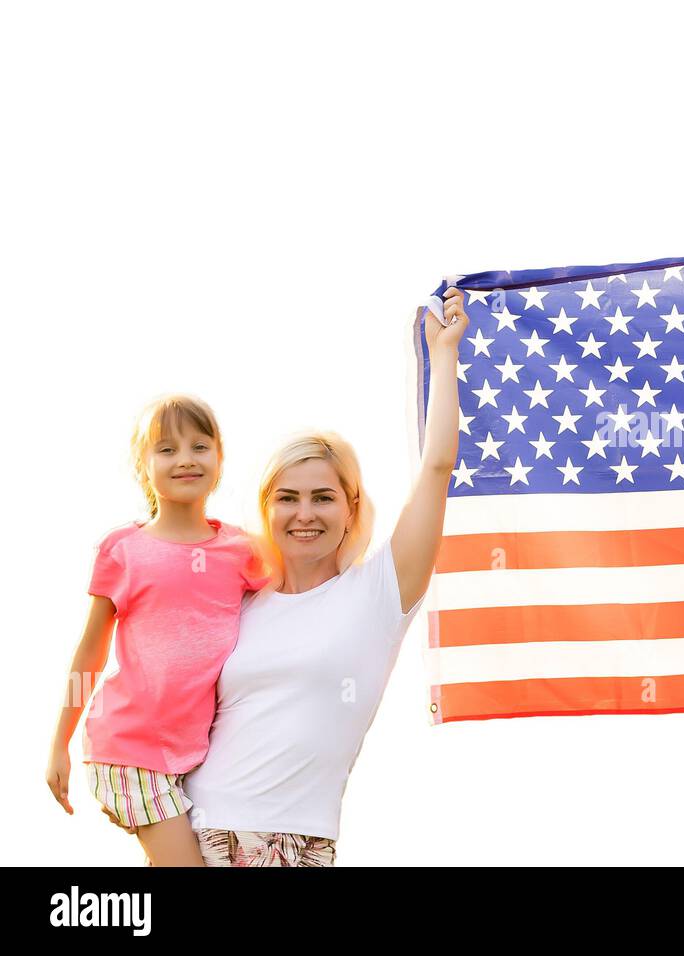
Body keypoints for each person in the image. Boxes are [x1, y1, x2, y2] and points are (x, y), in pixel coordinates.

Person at [100, 287, 466, 866]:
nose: (304, 514)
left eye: (323, 497)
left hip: (296, 842)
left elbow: (437, 468)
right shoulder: (239, 603)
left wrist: (444, 356)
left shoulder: (378, 594)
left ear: (350, 509)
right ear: (267, 507)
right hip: (197, 831)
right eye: (288, 498)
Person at [45, 395, 269, 866]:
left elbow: (291, 612)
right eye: (166, 449)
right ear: (142, 465)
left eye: (199, 446)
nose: (185, 459)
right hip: (128, 749)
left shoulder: (244, 551)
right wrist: (59, 744)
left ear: (220, 457)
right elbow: (89, 653)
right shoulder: (123, 549)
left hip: (198, 755)